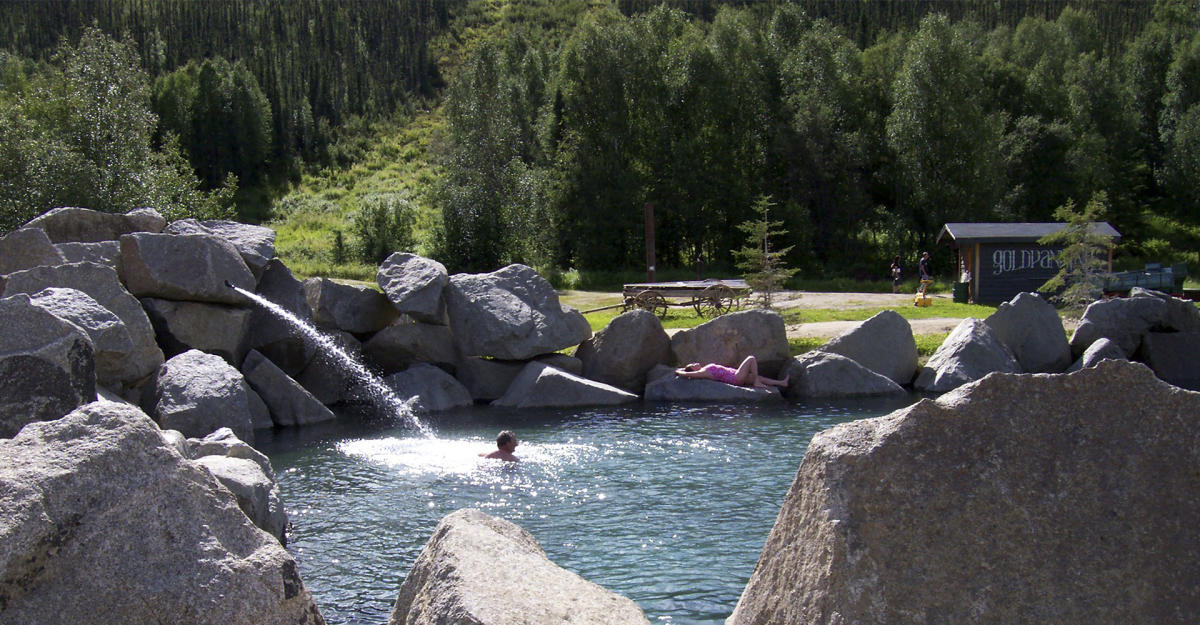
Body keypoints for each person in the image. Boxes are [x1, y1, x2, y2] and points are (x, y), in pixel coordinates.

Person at [675, 355, 789, 389]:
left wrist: (680, 368)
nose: (695, 363)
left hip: (736, 375)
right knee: (751, 358)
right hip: (736, 378)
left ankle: (781, 383)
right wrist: (679, 372)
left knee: (759, 377)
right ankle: (756, 383)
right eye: (693, 365)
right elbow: (687, 374)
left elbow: (687, 371)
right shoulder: (702, 373)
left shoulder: (704, 369)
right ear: (694, 370)